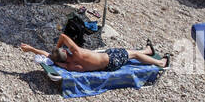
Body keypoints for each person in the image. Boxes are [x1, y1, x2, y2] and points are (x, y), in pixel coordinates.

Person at [20, 34, 169, 73]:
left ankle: (147, 51)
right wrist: (57, 45)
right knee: (132, 55)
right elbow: (63, 36)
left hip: (106, 64)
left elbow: (48, 56)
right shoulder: (76, 52)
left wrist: (31, 49)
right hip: (111, 60)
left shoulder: (69, 65)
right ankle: (160, 63)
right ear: (65, 50)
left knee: (127, 52)